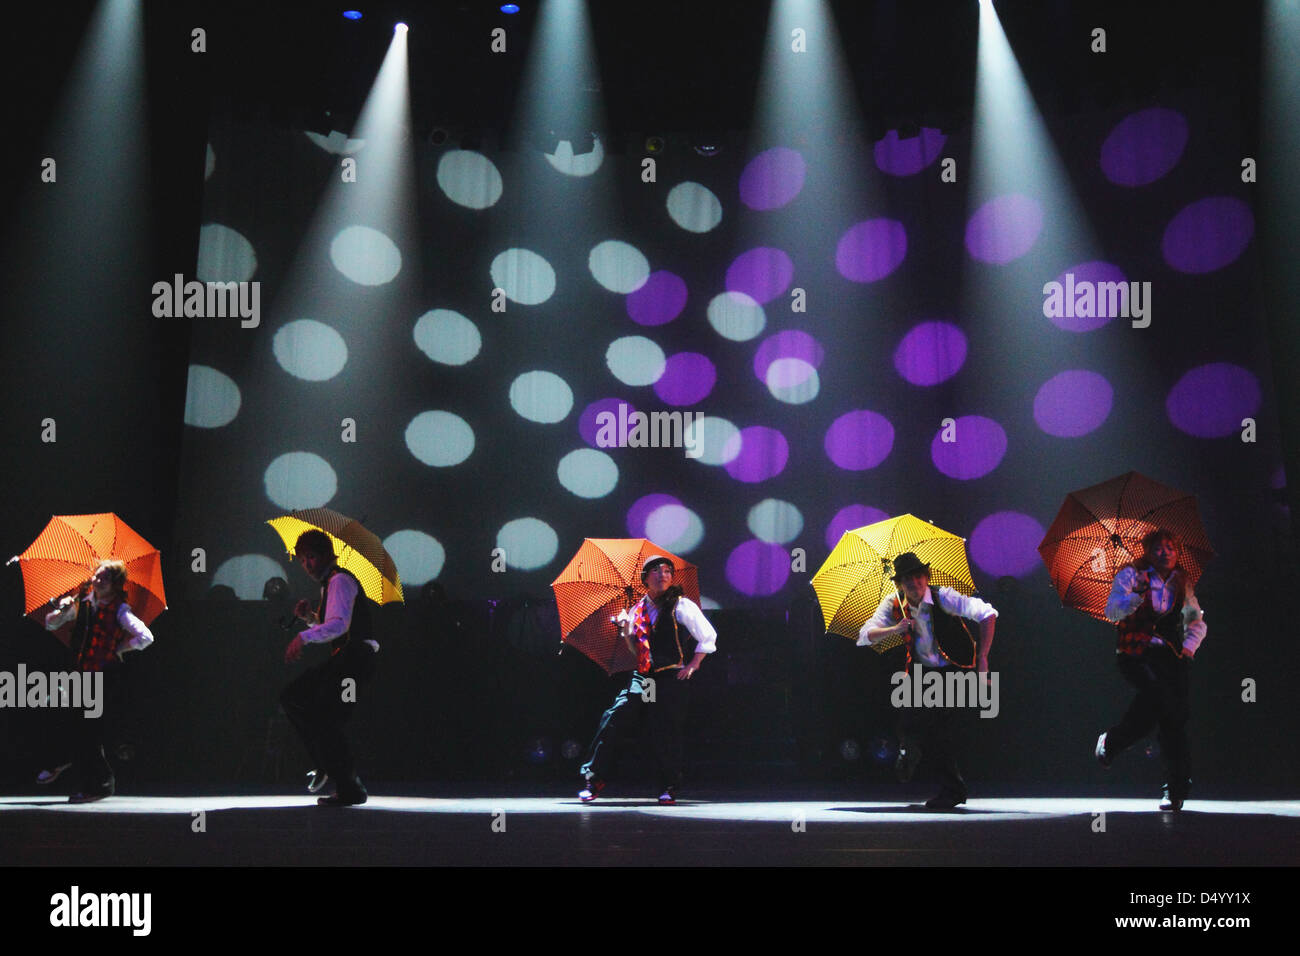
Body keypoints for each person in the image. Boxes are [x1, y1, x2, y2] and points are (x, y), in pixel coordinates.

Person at [858, 552, 998, 810]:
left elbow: (988, 614)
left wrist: (984, 659)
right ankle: (913, 754)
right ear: (899, 584)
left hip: (953, 671)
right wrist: (895, 629)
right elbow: (865, 635)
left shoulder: (943, 596)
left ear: (926, 577)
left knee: (938, 731)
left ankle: (952, 789)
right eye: (908, 580)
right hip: (921, 675)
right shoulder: (894, 604)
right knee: (910, 726)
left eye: (918, 577)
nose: (915, 584)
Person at [578, 555, 717, 805]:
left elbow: (707, 636)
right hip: (645, 679)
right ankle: (594, 779)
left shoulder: (681, 605)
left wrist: (694, 665)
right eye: (655, 571)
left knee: (665, 730)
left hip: (670, 676)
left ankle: (669, 786)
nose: (662, 575)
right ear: (645, 578)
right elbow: (638, 651)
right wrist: (625, 631)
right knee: (615, 718)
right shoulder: (637, 609)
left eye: (666, 571)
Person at [1095, 528, 1207, 812]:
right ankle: (1114, 742)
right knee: (1160, 700)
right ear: (1148, 550)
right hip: (1136, 653)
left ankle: (1175, 788)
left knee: (1174, 719)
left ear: (1178, 552)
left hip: (1170, 657)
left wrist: (1189, 648)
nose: (1165, 552)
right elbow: (1112, 611)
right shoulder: (1131, 575)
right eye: (1158, 547)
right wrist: (1136, 597)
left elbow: (1196, 621)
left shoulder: (1182, 581)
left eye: (1171, 547)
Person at [43, 559, 154, 803]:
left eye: (104, 577)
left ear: (114, 584)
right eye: (97, 575)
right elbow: (51, 625)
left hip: (103, 677)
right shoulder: (80, 603)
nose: (97, 580)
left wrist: (121, 648)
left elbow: (146, 636)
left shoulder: (120, 610)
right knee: (70, 720)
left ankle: (96, 785)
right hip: (79, 673)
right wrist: (61, 610)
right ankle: (67, 762)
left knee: (89, 731)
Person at [280, 530, 378, 807]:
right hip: (349, 658)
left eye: (311, 557)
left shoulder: (340, 581)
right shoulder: (330, 584)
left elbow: (339, 626)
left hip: (355, 658)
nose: (307, 565)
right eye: (302, 560)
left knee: (320, 714)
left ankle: (345, 783)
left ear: (326, 555)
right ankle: (329, 769)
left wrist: (303, 637)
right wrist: (310, 619)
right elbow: (333, 626)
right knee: (299, 701)